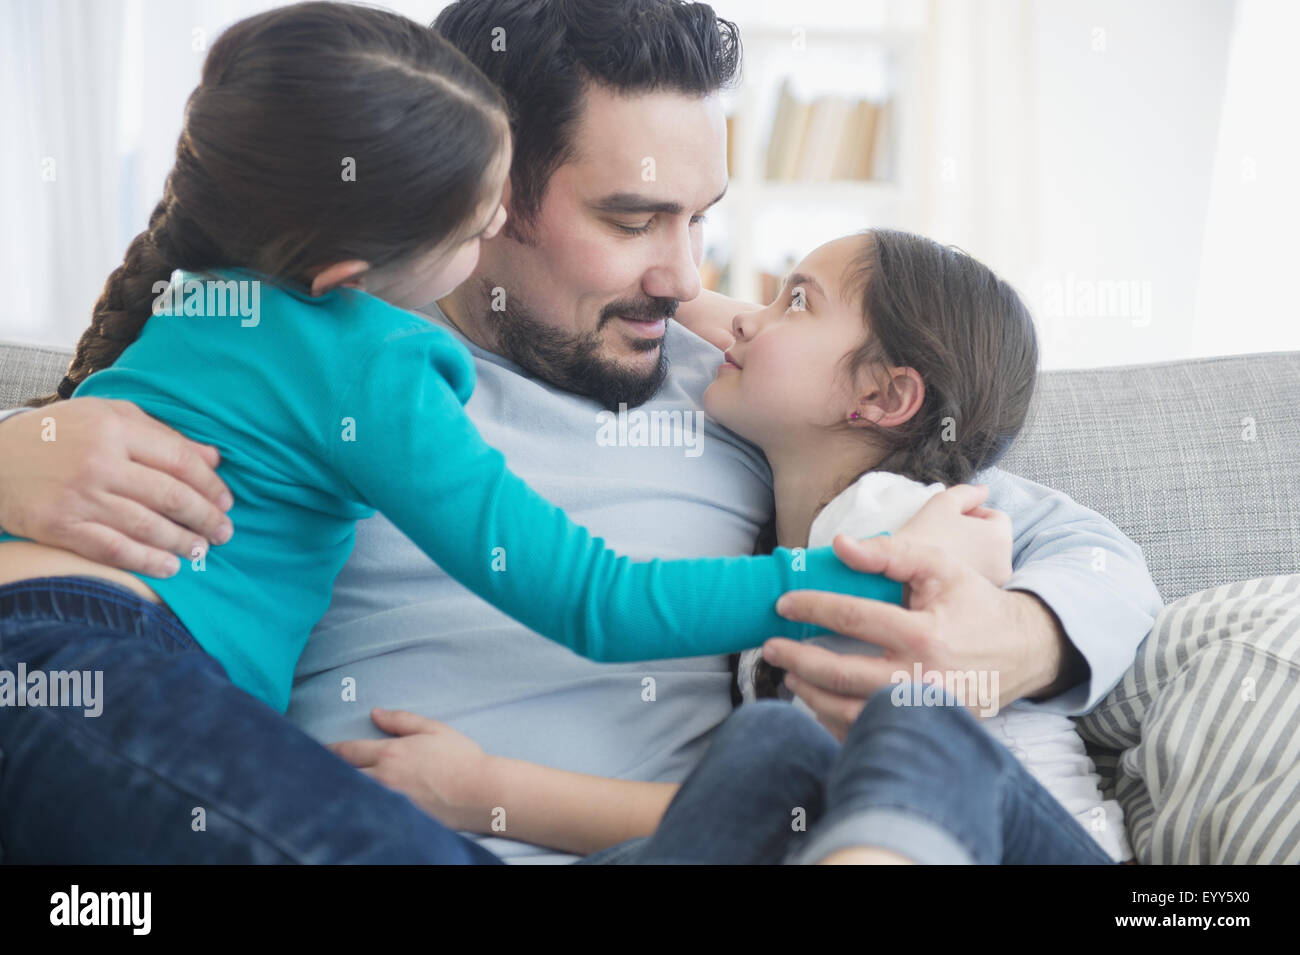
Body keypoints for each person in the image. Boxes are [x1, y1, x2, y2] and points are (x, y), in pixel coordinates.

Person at [0, 0, 1162, 864]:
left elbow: (1088, 554)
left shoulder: (736, 380)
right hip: (350, 817)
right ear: (490, 196)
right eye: (631, 218)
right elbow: (98, 575)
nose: (684, 274)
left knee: (811, 759)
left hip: (690, 839)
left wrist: (1010, 637)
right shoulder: (352, 367)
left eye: (703, 219)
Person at [328, 229, 1130, 865]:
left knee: (853, 730)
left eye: (795, 301)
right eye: (635, 218)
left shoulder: (905, 533)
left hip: (1014, 838)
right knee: (770, 747)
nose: (741, 315)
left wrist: (486, 789)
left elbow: (809, 789)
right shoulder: (806, 515)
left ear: (884, 395)